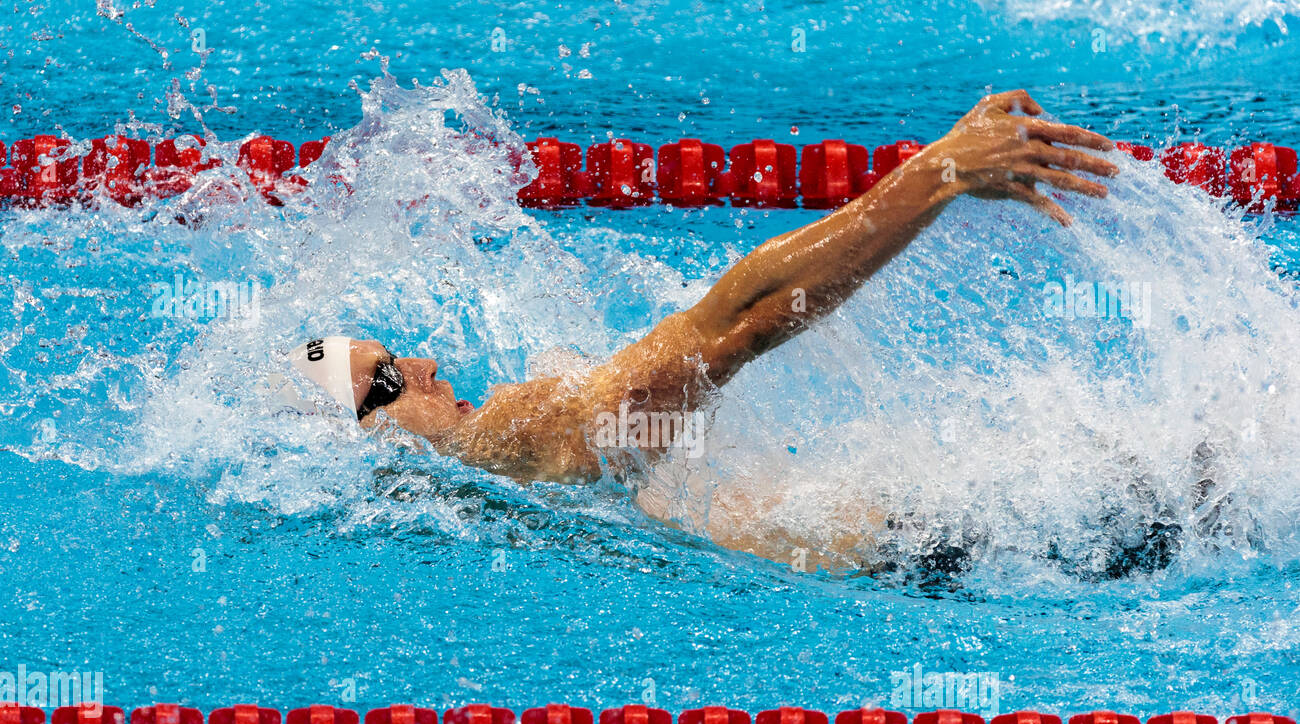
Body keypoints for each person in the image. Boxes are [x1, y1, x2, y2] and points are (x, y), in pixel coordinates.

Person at [290, 90, 1119, 571]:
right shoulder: (523, 437)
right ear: (363, 442)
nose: (428, 364)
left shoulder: (493, 487)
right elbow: (742, 322)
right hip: (983, 552)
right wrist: (935, 176)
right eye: (388, 379)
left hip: (951, 548)